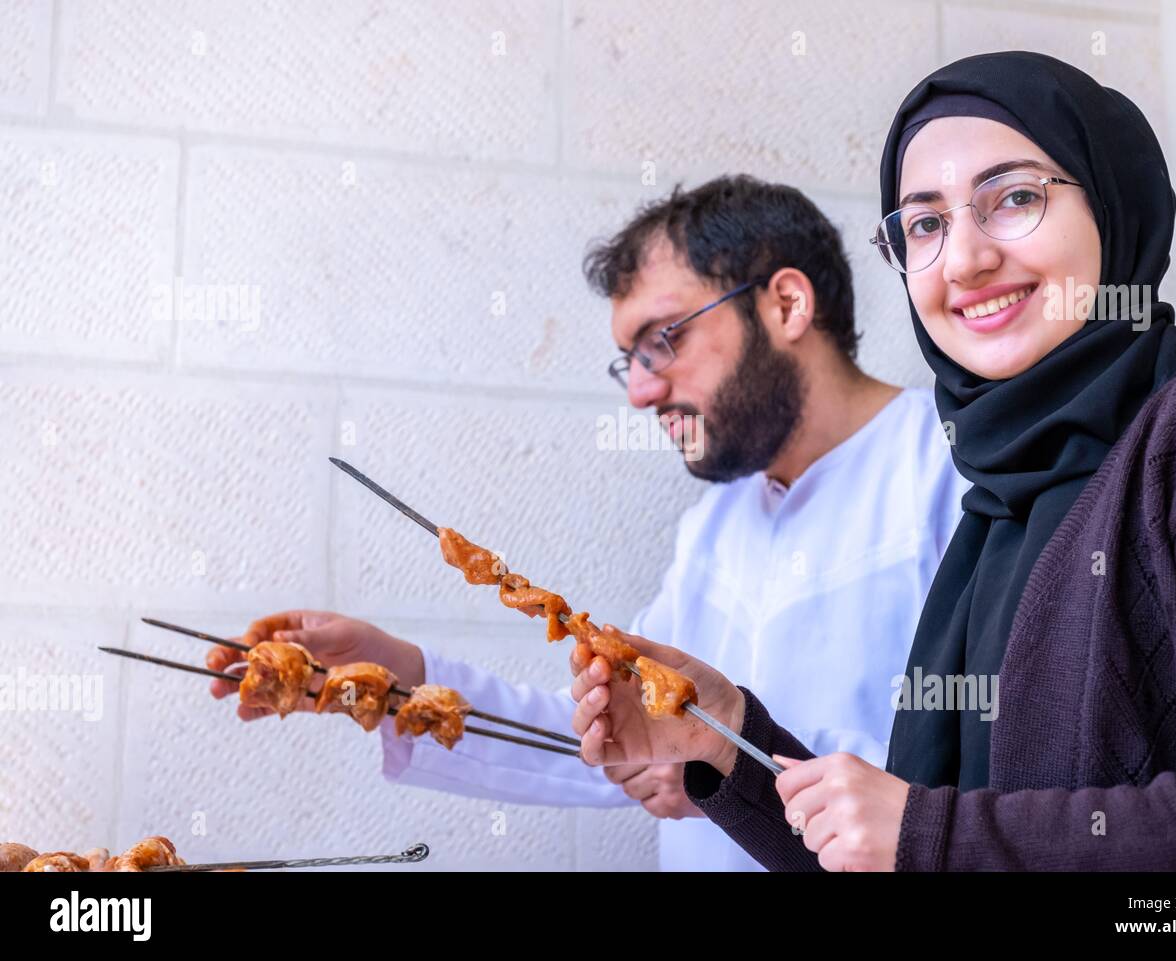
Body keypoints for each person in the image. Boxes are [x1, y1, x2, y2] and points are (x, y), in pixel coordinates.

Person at [568, 52, 1176, 871]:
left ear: (1111, 200)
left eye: (1014, 197)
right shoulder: (995, 505)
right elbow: (902, 853)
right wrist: (728, 739)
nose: (964, 260)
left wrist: (932, 832)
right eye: (925, 225)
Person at [207, 175, 968, 871]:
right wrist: (399, 680)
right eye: (627, 359)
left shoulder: (952, 473)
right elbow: (610, 745)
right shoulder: (713, 526)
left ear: (787, 305)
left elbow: (986, 785)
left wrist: (722, 760)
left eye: (664, 339)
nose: (639, 392)